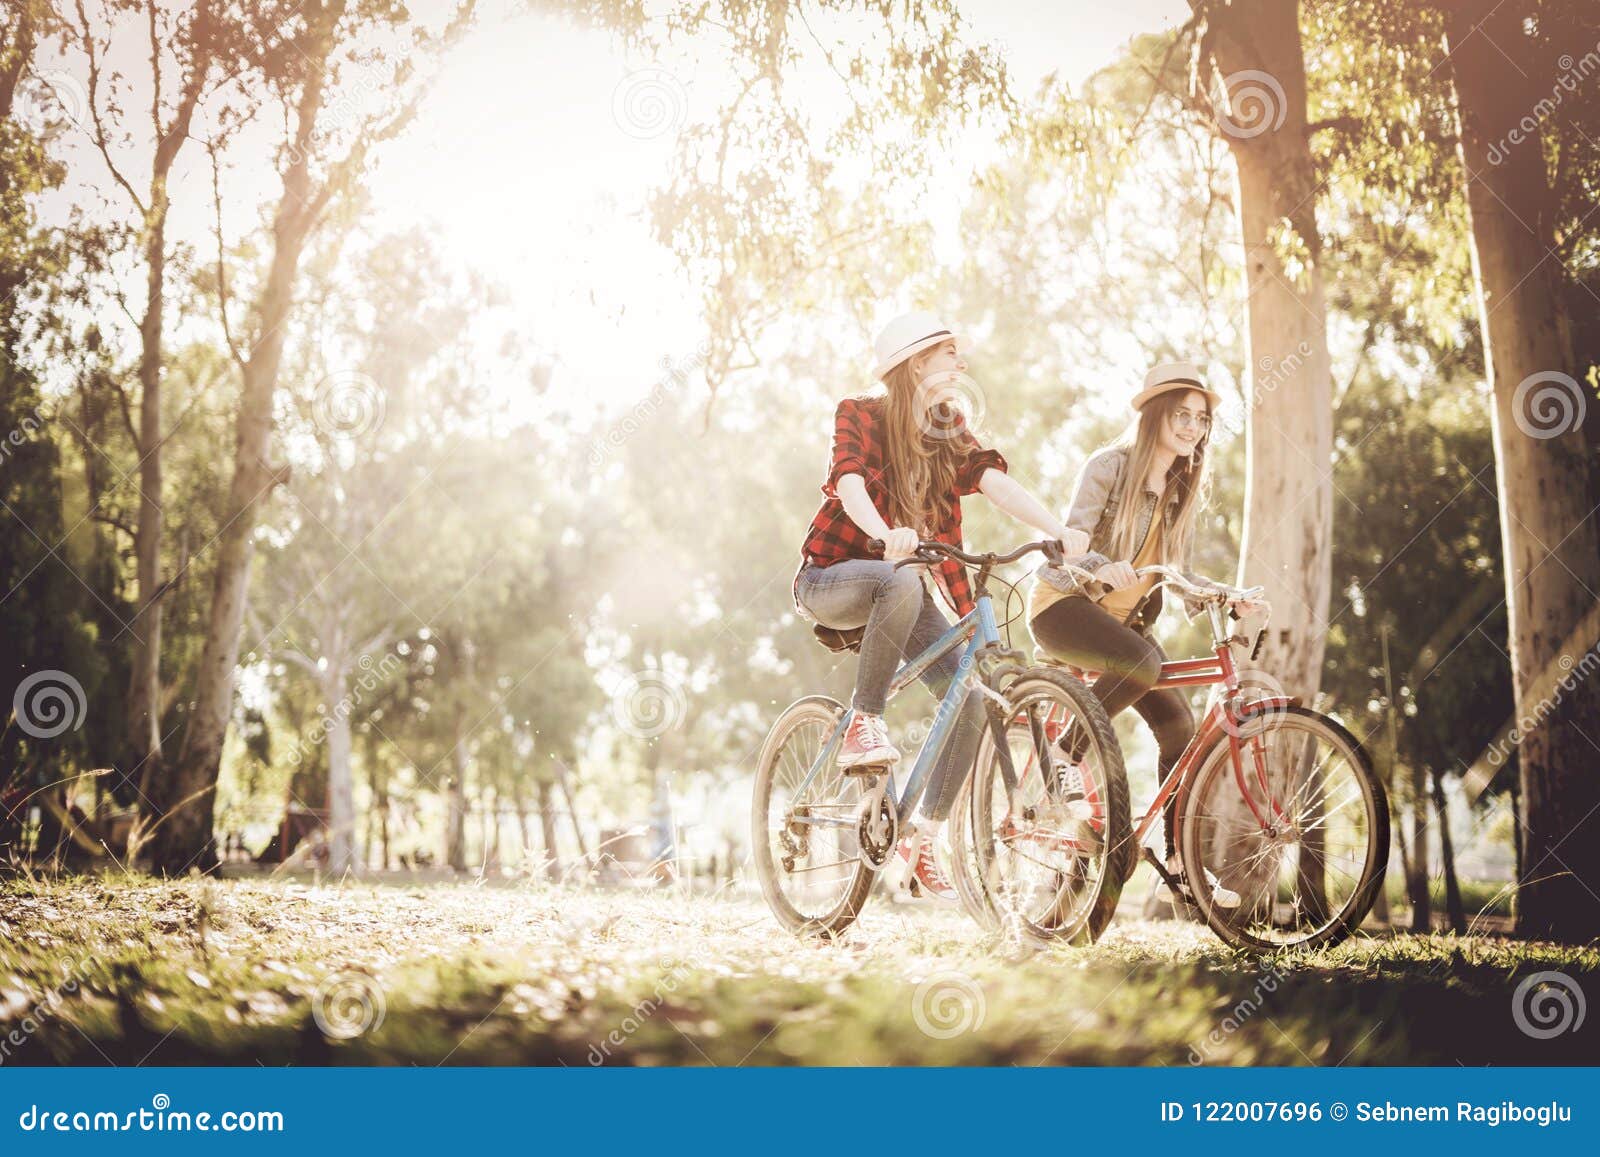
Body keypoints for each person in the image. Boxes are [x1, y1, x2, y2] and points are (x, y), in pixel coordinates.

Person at [793, 311, 1089, 899]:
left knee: (975, 696)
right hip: (831, 579)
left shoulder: (947, 428)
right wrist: (885, 535)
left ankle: (920, 836)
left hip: (899, 586)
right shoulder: (859, 412)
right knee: (901, 579)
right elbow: (848, 479)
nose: (962, 363)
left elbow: (991, 480)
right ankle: (865, 722)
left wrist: (1057, 529)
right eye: (951, 353)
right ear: (918, 362)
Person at [1028, 361, 1264, 908]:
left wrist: (1226, 593)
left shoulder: (1181, 487)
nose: (1192, 427)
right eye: (1181, 414)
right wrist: (1100, 565)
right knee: (1144, 665)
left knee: (1180, 728)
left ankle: (1178, 860)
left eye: (1201, 419)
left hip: (1124, 627)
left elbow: (1173, 572)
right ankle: (1063, 756)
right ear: (1155, 414)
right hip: (1065, 607)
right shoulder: (1108, 466)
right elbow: (1072, 542)